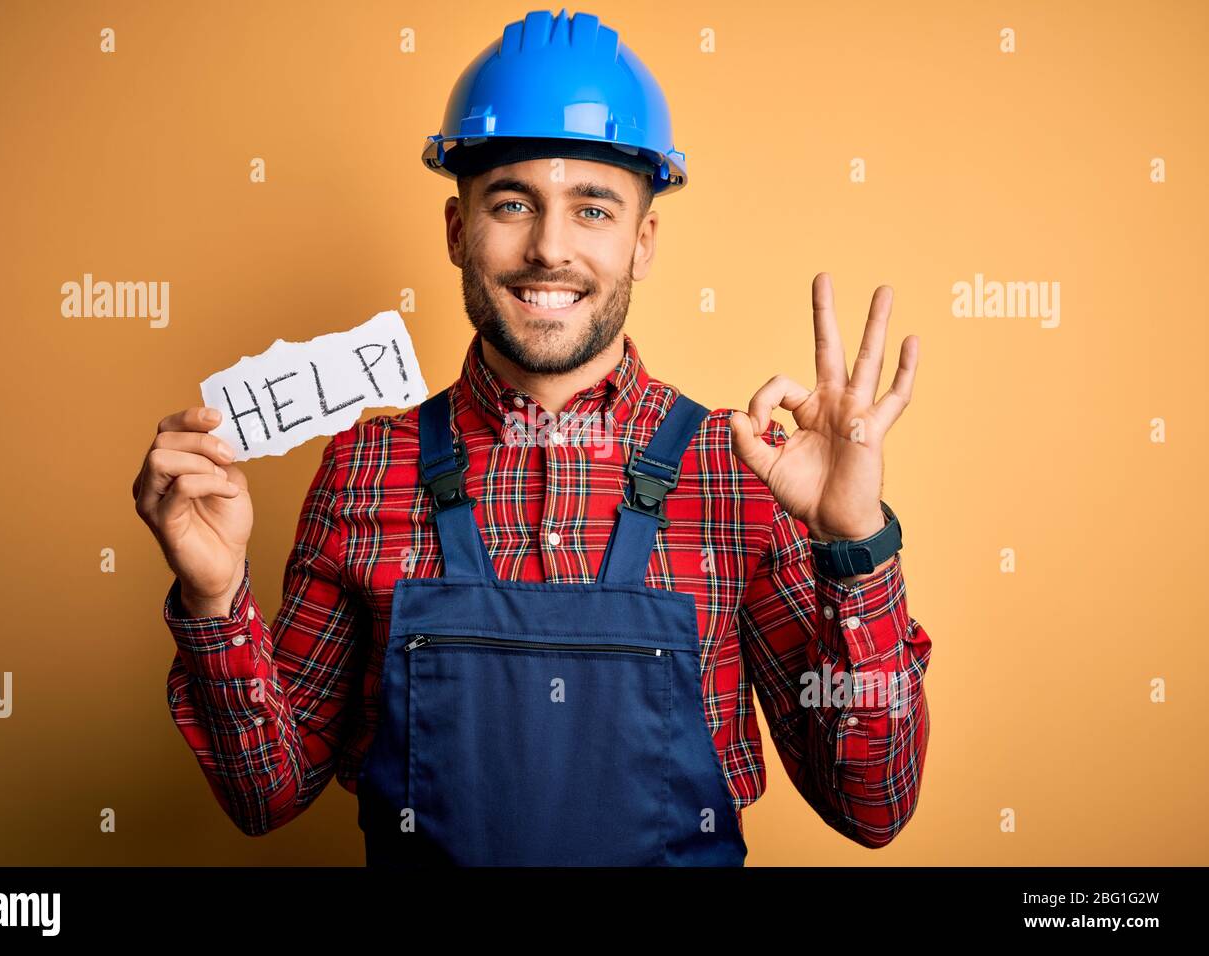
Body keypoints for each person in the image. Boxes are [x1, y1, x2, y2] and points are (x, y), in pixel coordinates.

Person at [131, 8, 932, 866]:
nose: (550, 248)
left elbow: (870, 806)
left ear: (643, 242)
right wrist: (215, 602)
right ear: (455, 230)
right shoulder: (365, 470)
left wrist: (854, 546)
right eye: (513, 202)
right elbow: (266, 795)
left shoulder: (741, 474)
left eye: (593, 209)